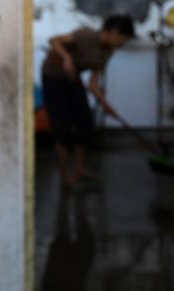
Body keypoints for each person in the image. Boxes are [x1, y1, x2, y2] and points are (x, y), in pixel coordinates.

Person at [41, 14, 135, 187]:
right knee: (62, 128)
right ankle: (65, 176)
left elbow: (93, 84)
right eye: (123, 38)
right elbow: (53, 40)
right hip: (53, 76)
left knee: (84, 123)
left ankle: (80, 170)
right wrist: (67, 58)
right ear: (114, 31)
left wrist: (105, 104)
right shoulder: (86, 35)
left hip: (73, 78)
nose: (123, 43)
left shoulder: (108, 52)